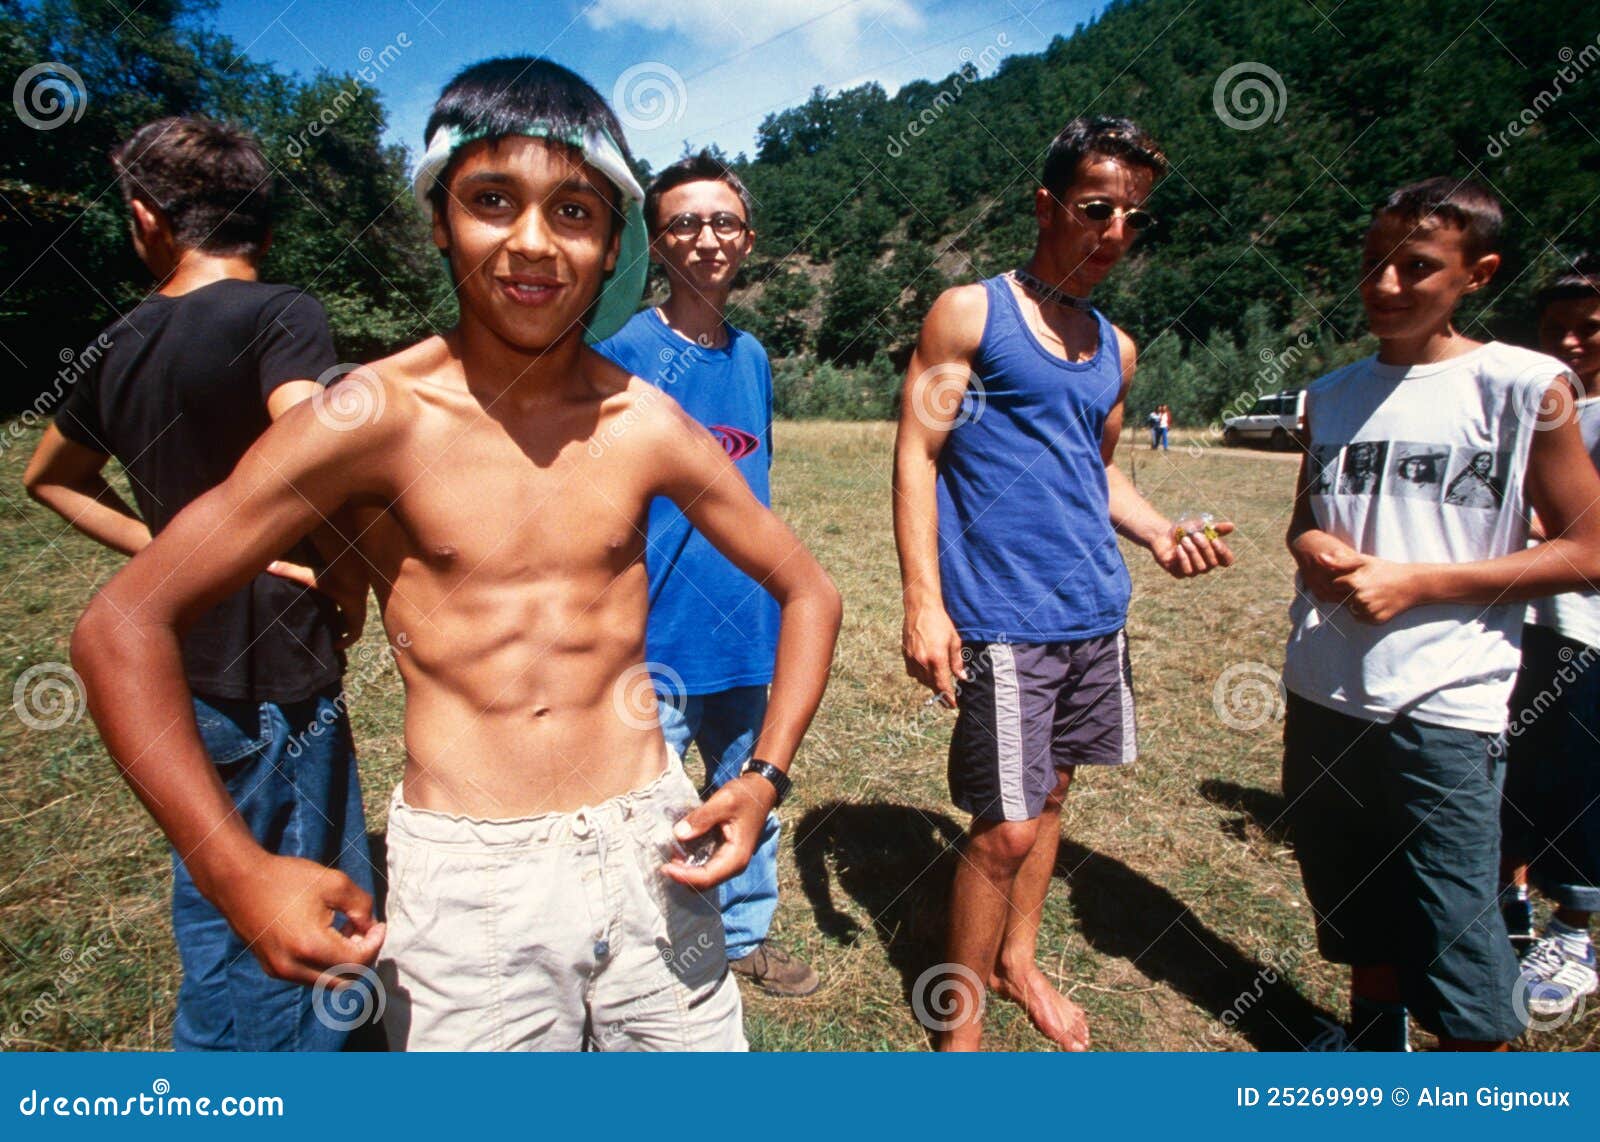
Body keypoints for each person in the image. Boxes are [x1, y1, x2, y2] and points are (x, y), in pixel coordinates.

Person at [67, 57, 841, 1052]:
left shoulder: (643, 421)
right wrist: (233, 867)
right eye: (491, 199)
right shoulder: (369, 416)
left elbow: (806, 587)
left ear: (613, 246)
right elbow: (120, 624)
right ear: (438, 218)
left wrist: (762, 776)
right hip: (472, 879)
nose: (531, 240)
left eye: (573, 210)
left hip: (659, 843)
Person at [22, 117, 372, 1052]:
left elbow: (47, 478)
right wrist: (344, 586)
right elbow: (316, 457)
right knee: (300, 908)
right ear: (263, 220)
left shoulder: (116, 341)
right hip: (280, 672)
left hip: (180, 670)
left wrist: (173, 552)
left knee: (223, 895)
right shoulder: (281, 313)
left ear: (147, 218)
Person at [893, 116, 1235, 1052]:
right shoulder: (971, 313)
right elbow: (917, 453)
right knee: (1002, 827)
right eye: (1097, 210)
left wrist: (1161, 530)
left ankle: (1018, 960)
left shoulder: (1114, 349)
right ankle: (957, 1032)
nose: (1116, 234)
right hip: (1002, 616)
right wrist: (924, 601)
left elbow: (1098, 471)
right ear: (1048, 205)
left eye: (1134, 218)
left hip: (1092, 613)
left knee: (1050, 801)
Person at [1282, 179, 1600, 1051]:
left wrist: (1418, 584)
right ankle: (1374, 1040)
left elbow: (1588, 550)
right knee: (1351, 891)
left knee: (1453, 909)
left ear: (1478, 274)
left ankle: (1474, 1070)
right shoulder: (1332, 394)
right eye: (1371, 264)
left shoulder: (1526, 386)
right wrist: (1309, 547)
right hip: (1323, 690)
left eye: (1417, 267)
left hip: (1445, 703)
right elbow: (1305, 521)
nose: (1385, 286)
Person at [594, 151, 818, 997]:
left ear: (748, 240)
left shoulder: (754, 355)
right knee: (639, 810)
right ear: (656, 241)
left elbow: (753, 489)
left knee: (747, 792)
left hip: (749, 625)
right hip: (649, 632)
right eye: (684, 221)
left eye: (723, 220)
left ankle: (742, 938)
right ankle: (639, 952)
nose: (706, 237)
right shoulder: (618, 349)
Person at [1500, 252, 1600, 1020]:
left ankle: (1575, 929)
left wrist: (1532, 528)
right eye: (1554, 328)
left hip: (1585, 627)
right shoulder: (1541, 403)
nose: (1569, 343)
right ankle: (1513, 896)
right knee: (1515, 765)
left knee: (1576, 779)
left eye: (1588, 330)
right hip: (1524, 616)